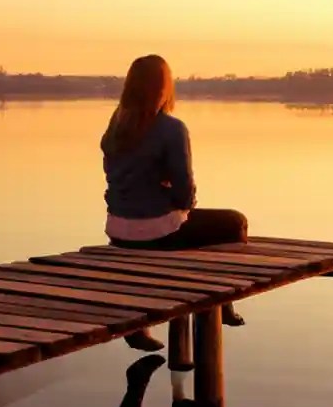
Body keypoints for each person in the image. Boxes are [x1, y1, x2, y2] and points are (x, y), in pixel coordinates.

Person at [101, 54, 247, 351]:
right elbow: (184, 190)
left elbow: (118, 179)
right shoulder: (171, 128)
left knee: (184, 223)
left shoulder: (116, 125)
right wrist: (179, 202)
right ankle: (224, 303)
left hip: (117, 230)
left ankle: (137, 325)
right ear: (164, 88)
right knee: (235, 222)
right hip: (158, 232)